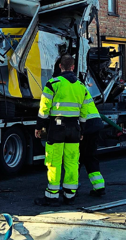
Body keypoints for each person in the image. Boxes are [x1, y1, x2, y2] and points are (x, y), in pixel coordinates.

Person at [34, 54, 96, 206]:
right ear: (73, 67)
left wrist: (39, 126)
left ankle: (52, 196)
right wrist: (81, 130)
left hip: (57, 128)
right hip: (74, 128)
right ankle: (70, 195)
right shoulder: (82, 87)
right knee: (72, 162)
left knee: (54, 162)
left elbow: (44, 108)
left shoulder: (53, 83)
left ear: (60, 66)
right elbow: (84, 111)